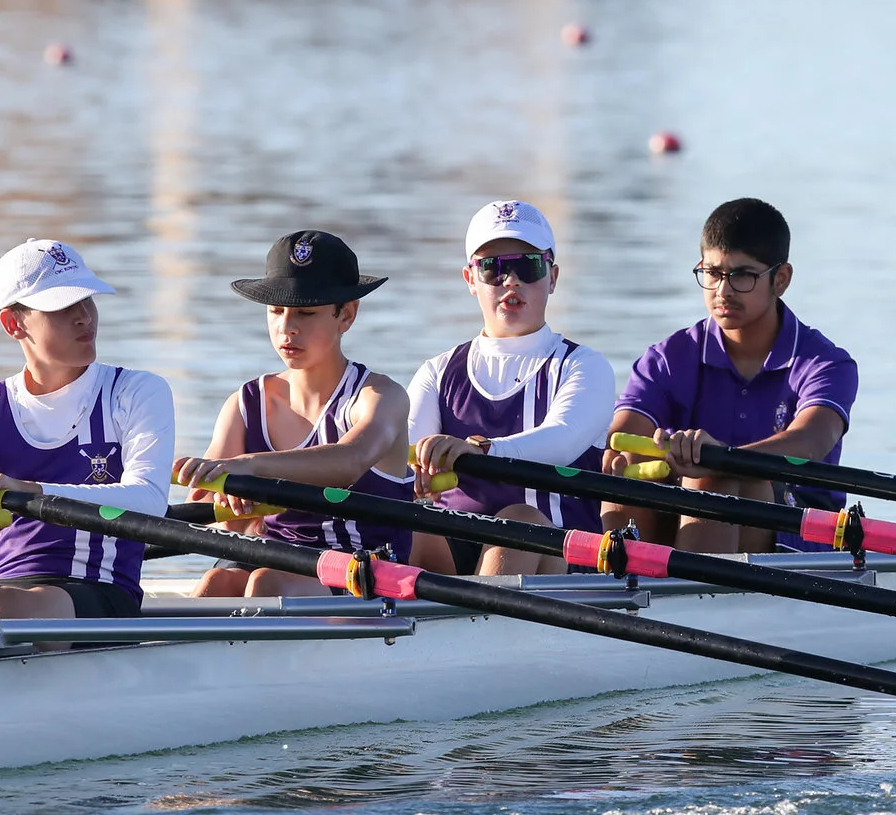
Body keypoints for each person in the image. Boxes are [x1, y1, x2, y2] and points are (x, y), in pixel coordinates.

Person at [0, 238, 175, 662]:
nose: (84, 317)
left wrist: (29, 492)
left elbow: (150, 500)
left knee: (9, 608)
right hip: (8, 589)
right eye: (62, 308)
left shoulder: (135, 392)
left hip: (100, 597)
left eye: (86, 300)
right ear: (13, 324)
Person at [602, 197, 858, 552]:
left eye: (742, 275)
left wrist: (720, 457)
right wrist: (668, 453)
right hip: (691, 510)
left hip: (801, 529)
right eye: (712, 273)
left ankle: (688, 597)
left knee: (713, 476)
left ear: (780, 279)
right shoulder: (667, 358)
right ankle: (626, 583)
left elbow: (813, 439)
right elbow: (621, 436)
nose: (723, 291)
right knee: (625, 464)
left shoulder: (825, 363)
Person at [172, 229, 413, 598]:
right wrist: (229, 500)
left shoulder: (380, 396)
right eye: (276, 311)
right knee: (215, 583)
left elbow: (351, 460)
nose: (287, 327)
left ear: (346, 315)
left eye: (306, 312)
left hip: (367, 570)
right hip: (277, 560)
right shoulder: (245, 404)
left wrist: (250, 468)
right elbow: (212, 517)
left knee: (267, 583)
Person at [407, 200, 615, 575]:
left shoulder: (585, 367)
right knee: (411, 527)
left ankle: (476, 624)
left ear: (552, 277)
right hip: (458, 548)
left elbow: (562, 441)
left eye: (527, 266)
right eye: (493, 269)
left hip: (559, 554)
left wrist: (482, 450)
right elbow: (399, 458)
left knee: (519, 520)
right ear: (471, 280)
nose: (511, 281)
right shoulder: (436, 372)